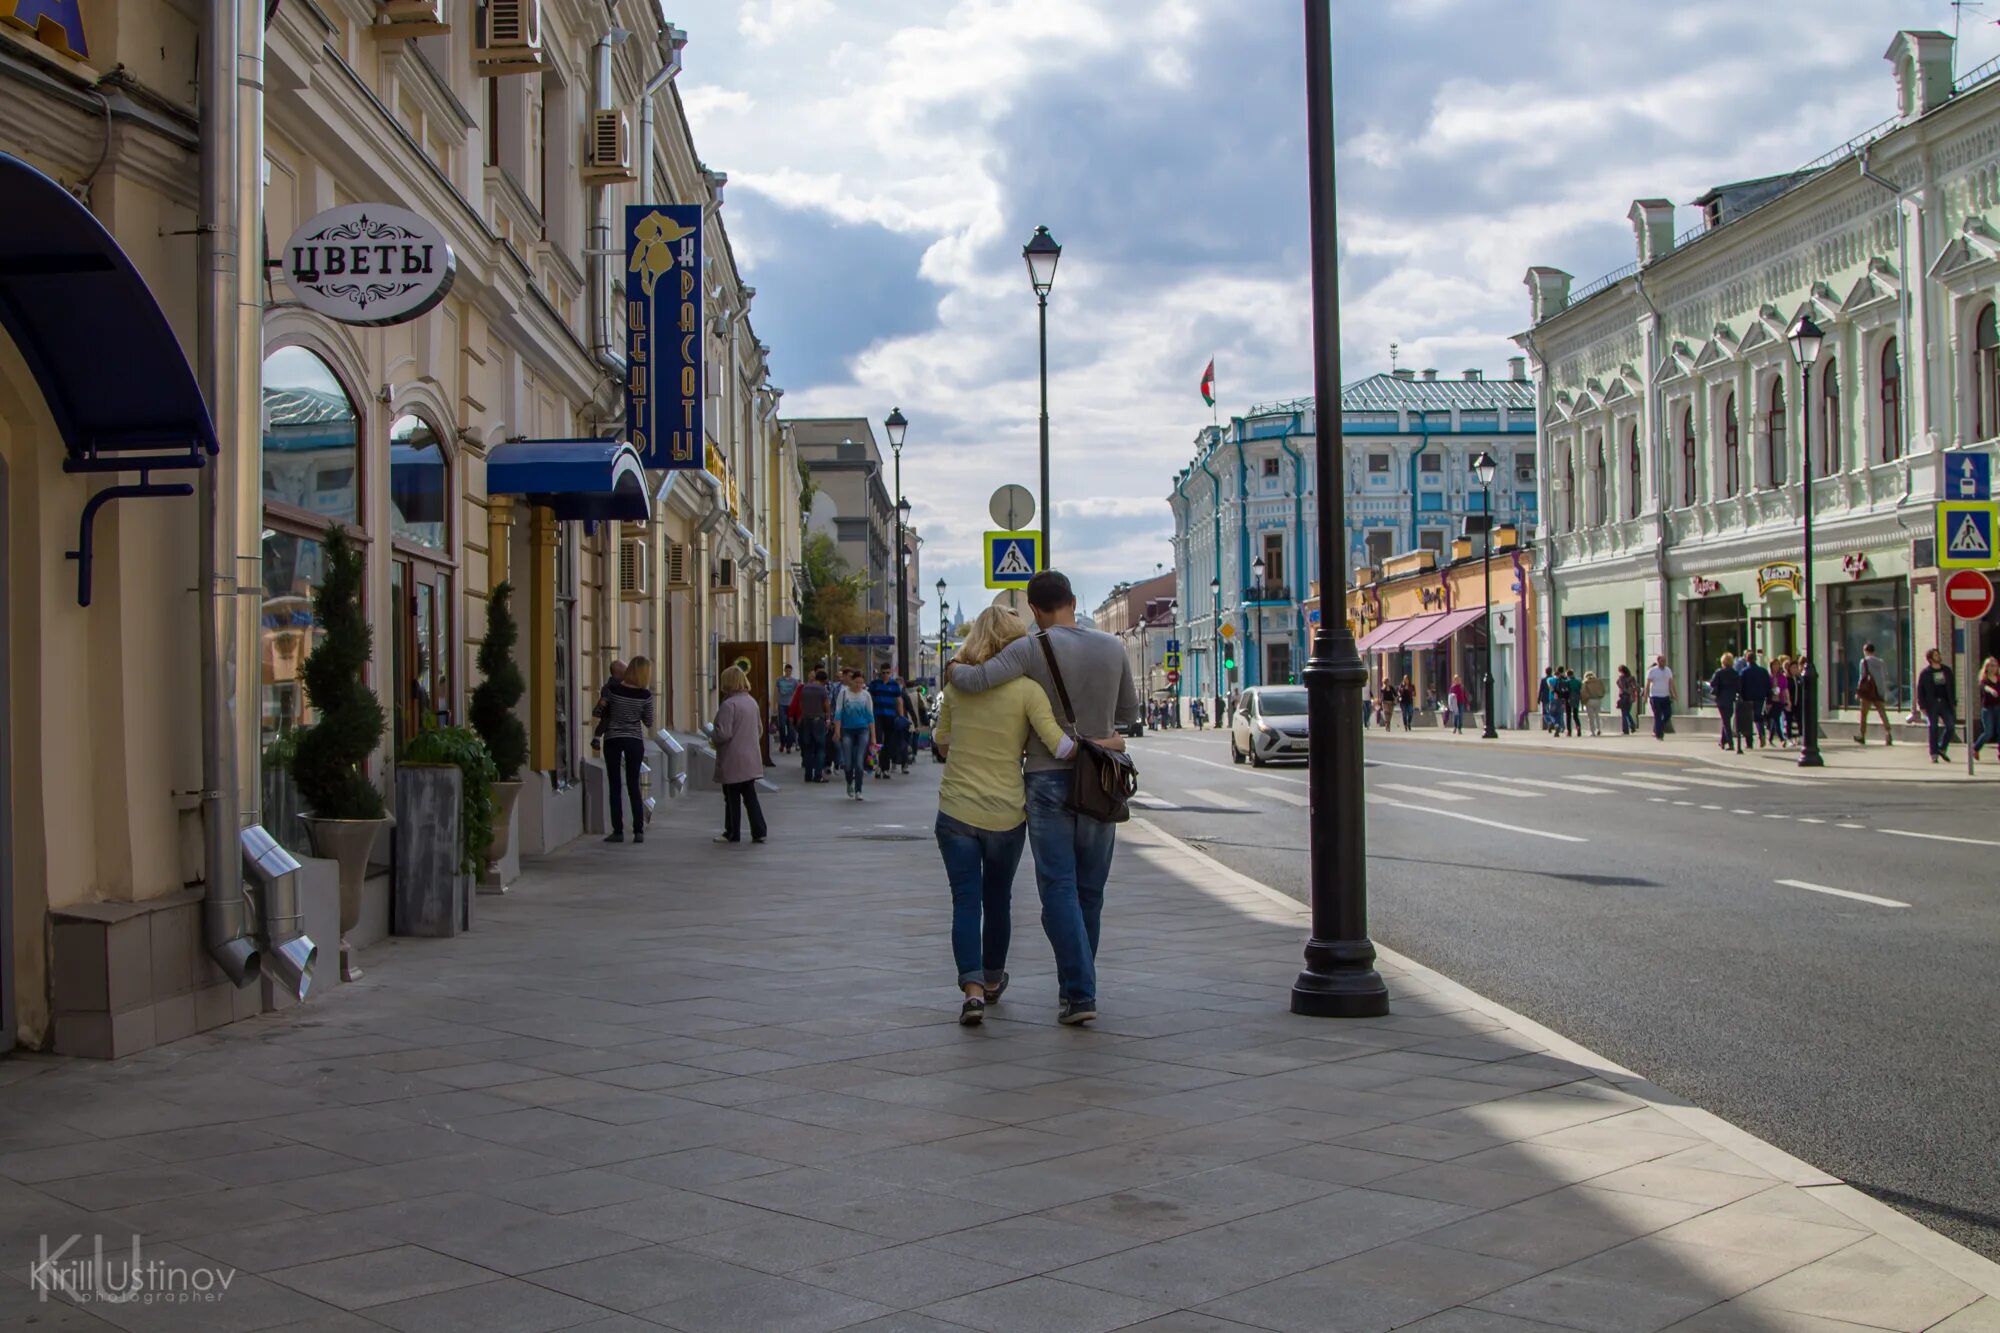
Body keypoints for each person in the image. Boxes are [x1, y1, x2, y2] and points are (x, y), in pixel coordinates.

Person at [945, 570, 1140, 1026]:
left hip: (1049, 779)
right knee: (1090, 890)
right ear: (1073, 600)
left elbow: (973, 682)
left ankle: (1080, 992)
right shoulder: (1113, 646)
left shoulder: (1031, 648)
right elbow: (1128, 716)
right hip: (1101, 780)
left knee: (1059, 887)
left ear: (1033, 610)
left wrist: (952, 666)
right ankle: (1076, 990)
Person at [593, 656, 653, 843]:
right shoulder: (646, 695)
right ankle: (638, 831)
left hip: (613, 739)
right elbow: (649, 722)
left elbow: (598, 712)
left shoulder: (612, 690)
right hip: (634, 740)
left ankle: (617, 831)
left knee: (615, 786)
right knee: (634, 785)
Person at [713, 666, 768, 843]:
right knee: (750, 795)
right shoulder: (751, 702)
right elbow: (759, 729)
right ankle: (759, 831)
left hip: (732, 757)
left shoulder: (729, 705)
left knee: (731, 796)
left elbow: (724, 733)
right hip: (750, 756)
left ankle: (732, 832)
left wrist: (712, 735)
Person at [832, 669, 878, 799]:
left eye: (862, 683)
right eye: (857, 682)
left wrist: (873, 737)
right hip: (847, 731)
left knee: (858, 762)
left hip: (862, 730)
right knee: (847, 762)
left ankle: (859, 790)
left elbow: (870, 717)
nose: (859, 685)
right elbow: (838, 714)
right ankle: (849, 782)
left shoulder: (866, 695)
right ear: (852, 681)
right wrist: (837, 731)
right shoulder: (844, 693)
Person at [868, 663, 911, 777]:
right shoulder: (874, 684)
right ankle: (875, 766)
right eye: (883, 673)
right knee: (877, 741)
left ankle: (885, 768)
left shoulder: (894, 685)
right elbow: (868, 698)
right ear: (880, 673)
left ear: (890, 672)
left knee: (888, 742)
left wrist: (901, 716)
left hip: (890, 716)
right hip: (877, 715)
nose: (885, 675)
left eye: (888, 673)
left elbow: (899, 701)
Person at [1916, 647, 1957, 764]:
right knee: (1933, 727)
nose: (1938, 656)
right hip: (1931, 704)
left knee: (1950, 726)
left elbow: (1952, 687)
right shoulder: (1925, 673)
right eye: (1935, 655)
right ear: (1930, 659)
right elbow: (1920, 690)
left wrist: (1953, 702)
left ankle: (1942, 748)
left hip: (1945, 703)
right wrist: (1922, 706)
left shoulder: (1946, 671)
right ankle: (1934, 753)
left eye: (1938, 654)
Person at [794, 668, 831, 782]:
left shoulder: (805, 688)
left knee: (808, 748)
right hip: (818, 720)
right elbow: (826, 705)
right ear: (824, 680)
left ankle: (808, 775)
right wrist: (828, 719)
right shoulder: (822, 690)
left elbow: (801, 704)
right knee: (820, 748)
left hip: (806, 720)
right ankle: (818, 775)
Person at [1854, 642, 1894, 745]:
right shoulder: (1881, 662)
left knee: (1863, 714)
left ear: (1866, 651)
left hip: (1868, 692)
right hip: (1879, 691)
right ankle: (1888, 733)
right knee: (1882, 713)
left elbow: (1862, 677)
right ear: (1874, 651)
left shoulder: (1864, 662)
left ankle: (1862, 735)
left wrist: (1858, 691)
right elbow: (1885, 676)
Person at [1736, 650, 1770, 753]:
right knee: (1758, 716)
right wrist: (1768, 697)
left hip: (1747, 698)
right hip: (1760, 697)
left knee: (1748, 720)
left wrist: (1741, 696)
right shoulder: (1763, 671)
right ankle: (1761, 734)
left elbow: (1740, 686)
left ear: (1747, 659)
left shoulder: (1744, 672)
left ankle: (1749, 742)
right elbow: (1768, 685)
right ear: (1755, 659)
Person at [590, 659, 627, 754]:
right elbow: (605, 697)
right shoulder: (612, 686)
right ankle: (596, 738)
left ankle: (597, 738)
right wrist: (602, 704)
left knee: (605, 721)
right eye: (625, 672)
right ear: (618, 674)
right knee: (605, 720)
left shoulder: (621, 685)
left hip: (615, 715)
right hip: (611, 711)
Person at [1709, 652, 1739, 750]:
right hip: (1731, 699)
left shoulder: (1719, 672)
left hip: (1721, 699)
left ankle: (1730, 743)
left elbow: (1712, 683)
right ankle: (1723, 742)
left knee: (1726, 722)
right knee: (1726, 720)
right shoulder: (1735, 673)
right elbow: (1739, 686)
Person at [1974, 657, 2000, 762]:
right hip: (1988, 709)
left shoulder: (1999, 678)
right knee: (1988, 732)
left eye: (1995, 665)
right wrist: (1991, 691)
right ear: (1986, 667)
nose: (1993, 668)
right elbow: (1984, 687)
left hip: (1999, 708)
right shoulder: (1983, 680)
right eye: (1990, 666)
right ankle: (1976, 748)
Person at [1646, 654, 1674, 740]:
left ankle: (1659, 728)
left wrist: (1673, 694)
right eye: (1662, 661)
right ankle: (1659, 735)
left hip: (1665, 696)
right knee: (1657, 715)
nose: (1664, 662)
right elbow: (1647, 684)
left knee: (1668, 714)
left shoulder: (1668, 670)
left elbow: (1671, 683)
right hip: (1655, 696)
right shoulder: (1652, 671)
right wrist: (1645, 696)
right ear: (1658, 661)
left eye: (1665, 661)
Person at [774, 664, 799, 755]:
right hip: (781, 704)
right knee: (782, 725)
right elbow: (776, 692)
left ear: (791, 671)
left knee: (791, 726)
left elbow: (797, 694)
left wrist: (796, 706)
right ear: (784, 671)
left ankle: (788, 745)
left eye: (790, 671)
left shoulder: (795, 681)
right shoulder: (779, 680)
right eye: (787, 671)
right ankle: (782, 743)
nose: (788, 672)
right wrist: (775, 704)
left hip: (791, 705)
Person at [1768, 656, 1793, 747]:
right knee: (1775, 719)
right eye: (1774, 665)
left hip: (1780, 700)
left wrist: (1788, 700)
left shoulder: (1782, 677)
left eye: (1778, 665)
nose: (1776, 667)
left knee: (1776, 718)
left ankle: (1782, 739)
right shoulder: (1769, 677)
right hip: (1771, 700)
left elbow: (1785, 689)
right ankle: (1771, 737)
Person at [1581, 670, 1606, 737]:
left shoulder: (1585, 683)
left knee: (1591, 717)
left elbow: (1583, 693)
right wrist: (1600, 696)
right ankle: (1599, 729)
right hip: (1598, 700)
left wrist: (1584, 701)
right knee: (1597, 715)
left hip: (1589, 700)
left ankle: (1593, 731)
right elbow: (1603, 690)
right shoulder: (1599, 682)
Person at [1615, 665, 1637, 736]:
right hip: (1631, 697)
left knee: (1624, 713)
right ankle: (1632, 725)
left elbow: (1619, 685)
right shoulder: (1632, 678)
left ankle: (1626, 730)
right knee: (1627, 712)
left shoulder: (1621, 678)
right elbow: (1635, 687)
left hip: (1624, 696)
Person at [1560, 667, 1582, 738]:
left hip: (1568, 699)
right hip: (1576, 698)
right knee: (1576, 715)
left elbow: (1564, 691)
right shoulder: (1578, 681)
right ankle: (1578, 727)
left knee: (1568, 715)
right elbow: (1580, 689)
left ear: (1567, 675)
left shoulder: (1567, 682)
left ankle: (1569, 731)